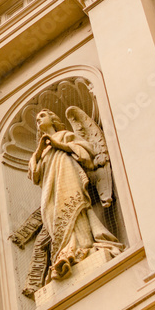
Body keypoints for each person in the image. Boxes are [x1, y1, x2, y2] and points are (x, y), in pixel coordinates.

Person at [28, 109, 121, 278]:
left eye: (42, 116)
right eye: (36, 119)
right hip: (50, 187)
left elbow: (87, 153)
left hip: (68, 175)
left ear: (53, 118)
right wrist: (40, 149)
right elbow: (34, 175)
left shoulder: (64, 135)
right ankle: (63, 253)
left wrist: (58, 145)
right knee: (51, 214)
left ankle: (82, 248)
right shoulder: (39, 152)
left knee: (73, 208)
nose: (39, 120)